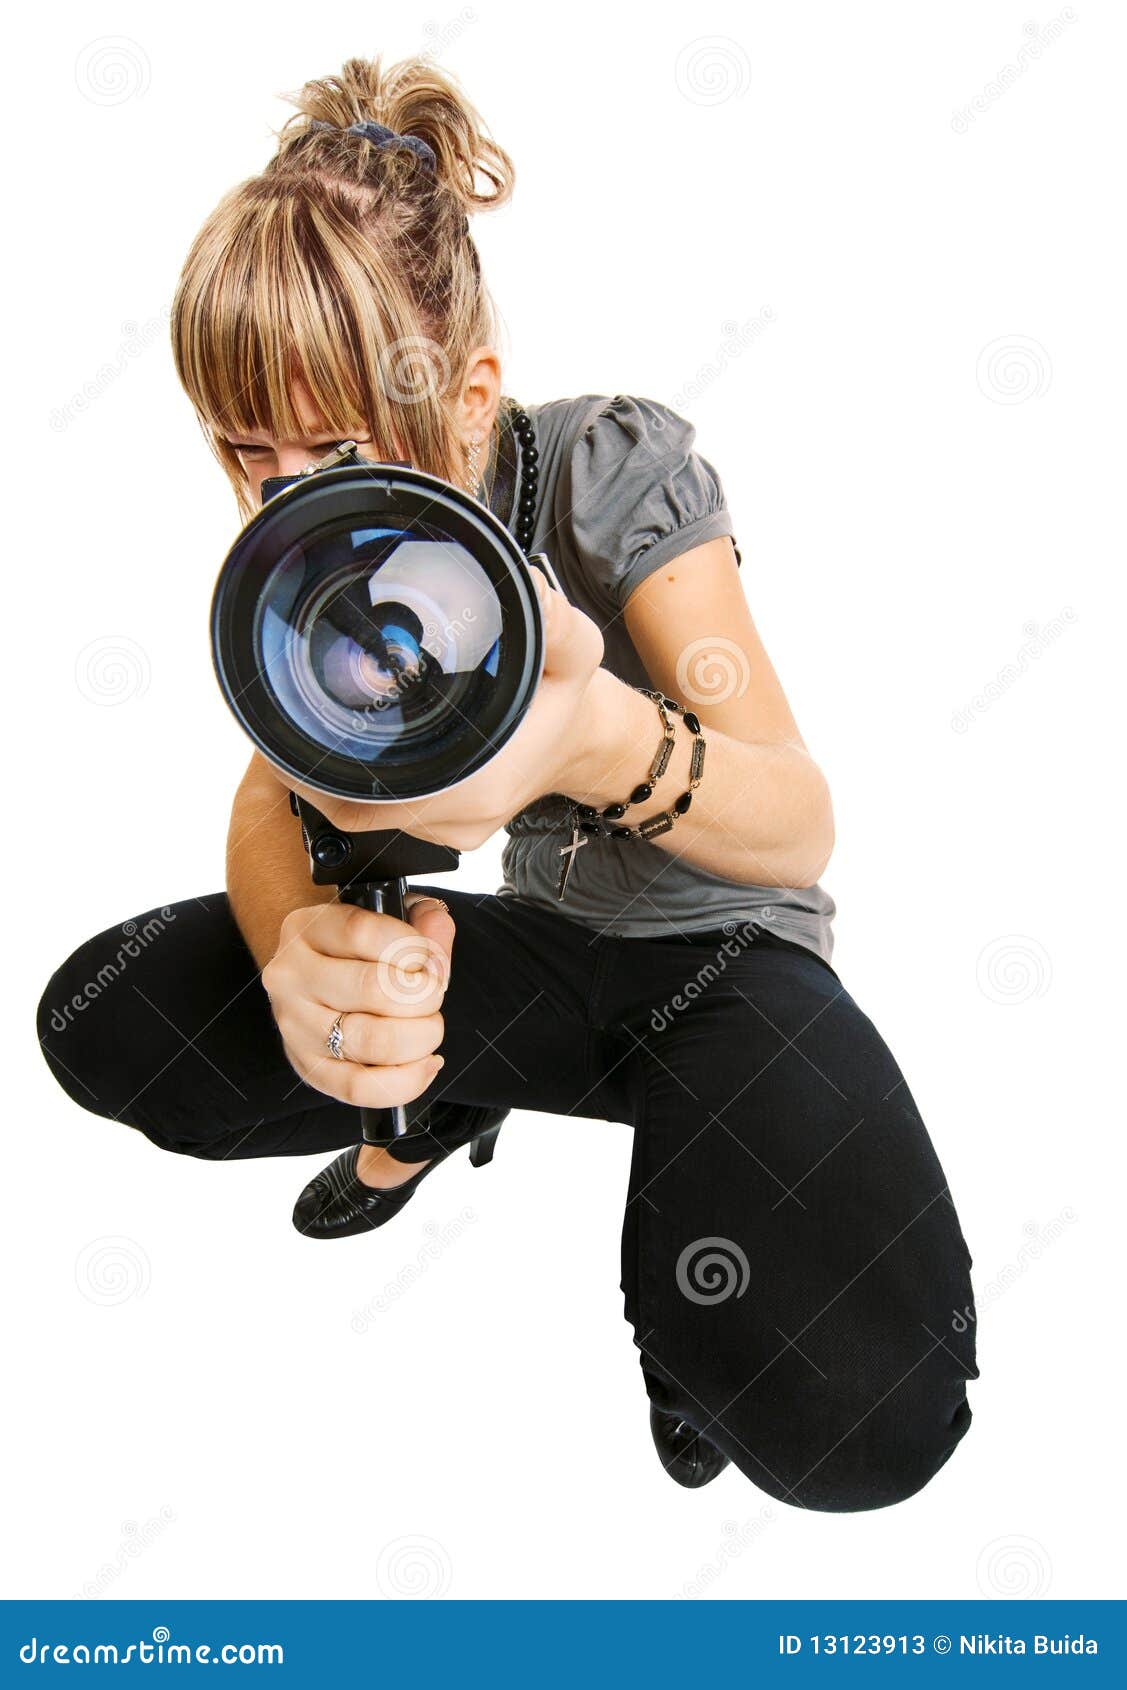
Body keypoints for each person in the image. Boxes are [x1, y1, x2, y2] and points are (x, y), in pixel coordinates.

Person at [36, 53, 978, 1505]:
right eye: (255, 456)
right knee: (109, 1014)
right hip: (541, 959)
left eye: (337, 445)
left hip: (728, 961)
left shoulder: (606, 470)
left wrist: (603, 739)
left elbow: (799, 819)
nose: (296, 493)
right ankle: (442, 1097)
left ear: (469, 395)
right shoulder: (312, 564)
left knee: (859, 1420)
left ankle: (681, 1310)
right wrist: (306, 967)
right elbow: (268, 798)